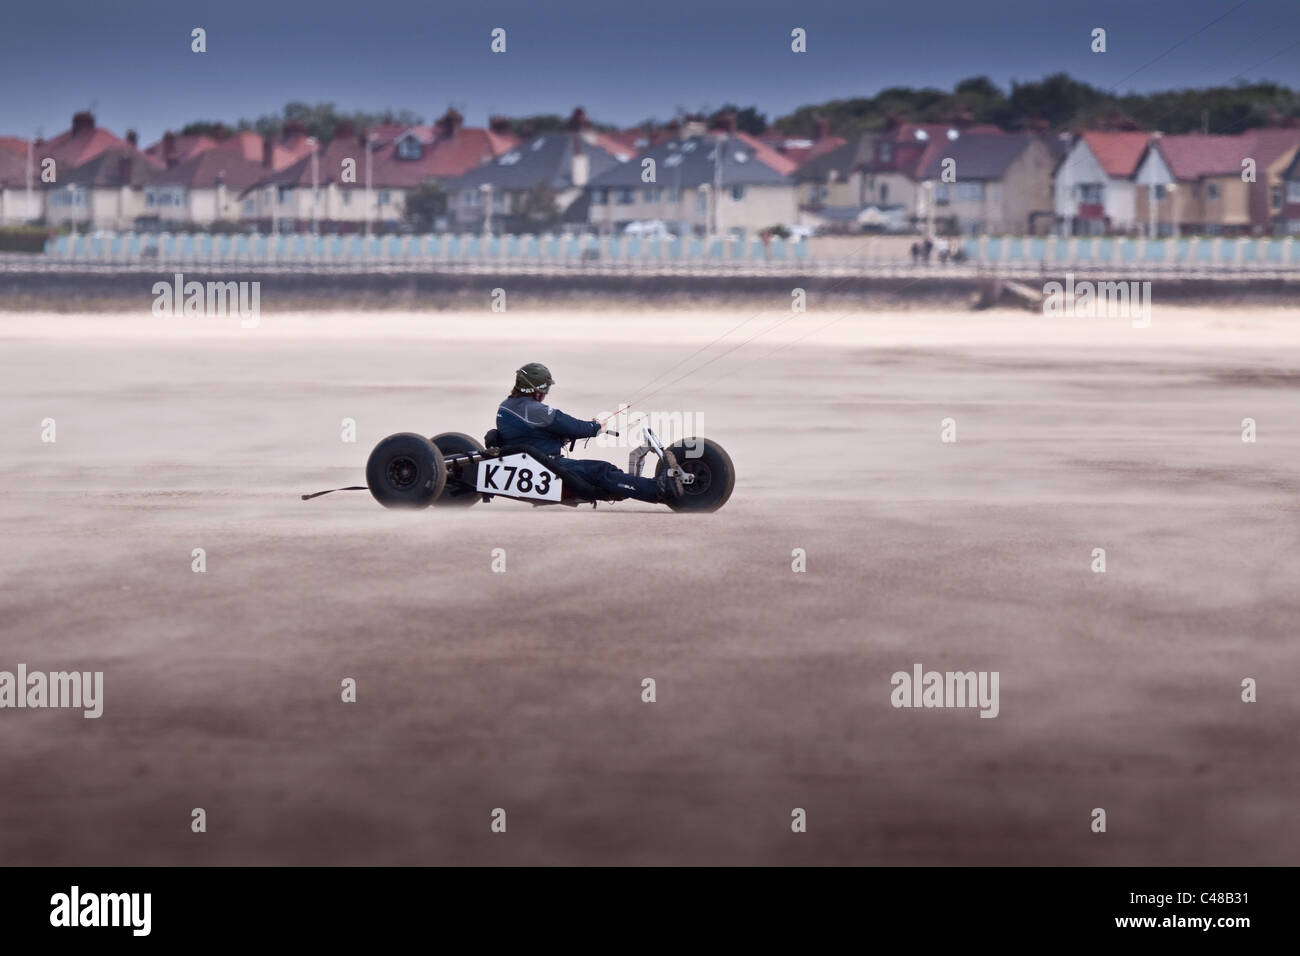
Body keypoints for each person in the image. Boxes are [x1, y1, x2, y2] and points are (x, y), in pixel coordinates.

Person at [495, 363, 680, 503]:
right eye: (545, 389)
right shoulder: (533, 409)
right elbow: (570, 425)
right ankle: (656, 490)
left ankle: (634, 487)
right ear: (537, 391)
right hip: (546, 464)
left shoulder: (506, 406)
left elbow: (527, 434)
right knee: (602, 470)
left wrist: (558, 437)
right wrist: (596, 427)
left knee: (598, 472)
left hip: (531, 460)